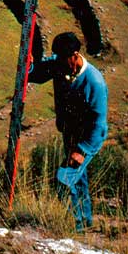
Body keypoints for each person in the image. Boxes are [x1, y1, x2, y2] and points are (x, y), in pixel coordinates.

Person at [29, 31, 108, 231]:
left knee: (66, 178)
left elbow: (98, 122)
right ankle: (85, 222)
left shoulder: (94, 82)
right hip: (70, 132)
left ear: (74, 55)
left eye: (63, 58)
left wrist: (81, 150)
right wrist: (29, 65)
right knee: (78, 179)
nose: (59, 62)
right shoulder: (60, 64)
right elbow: (37, 74)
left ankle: (76, 227)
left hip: (88, 138)